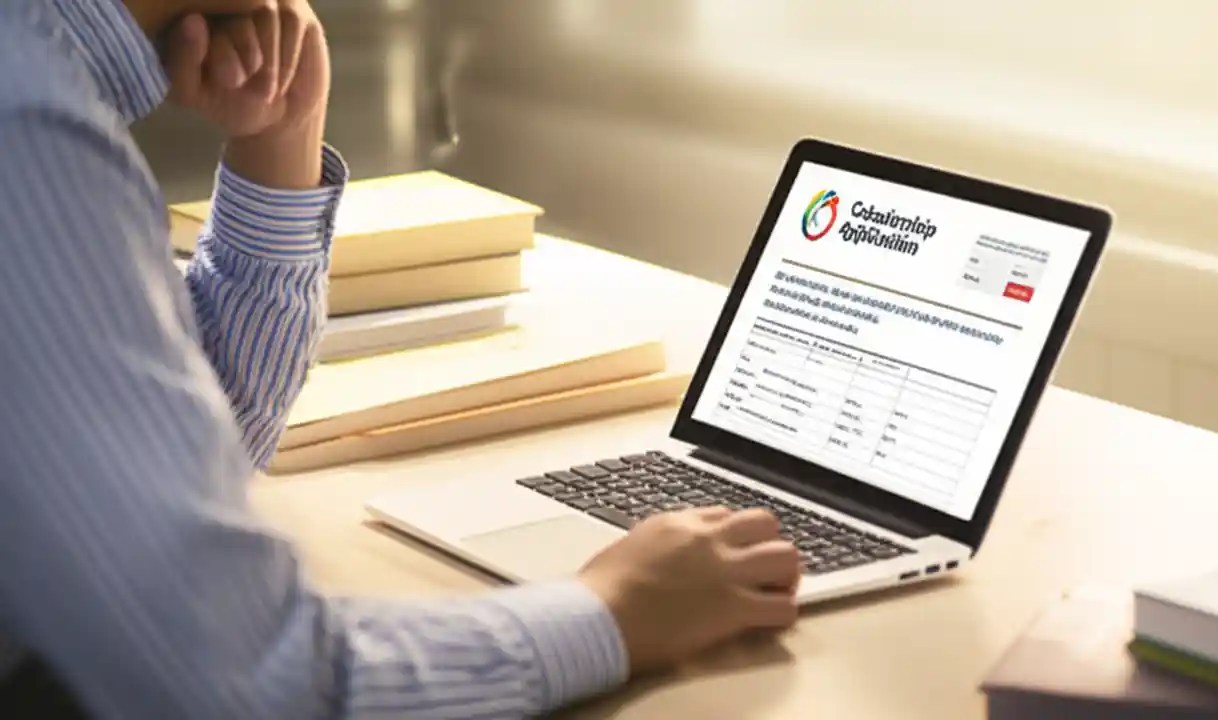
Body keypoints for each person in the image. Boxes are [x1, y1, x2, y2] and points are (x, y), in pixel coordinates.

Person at [0, 0, 803, 718]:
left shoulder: (45, 77)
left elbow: (172, 454)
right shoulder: (28, 122)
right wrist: (616, 610)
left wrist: (280, 142)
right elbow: (247, 685)